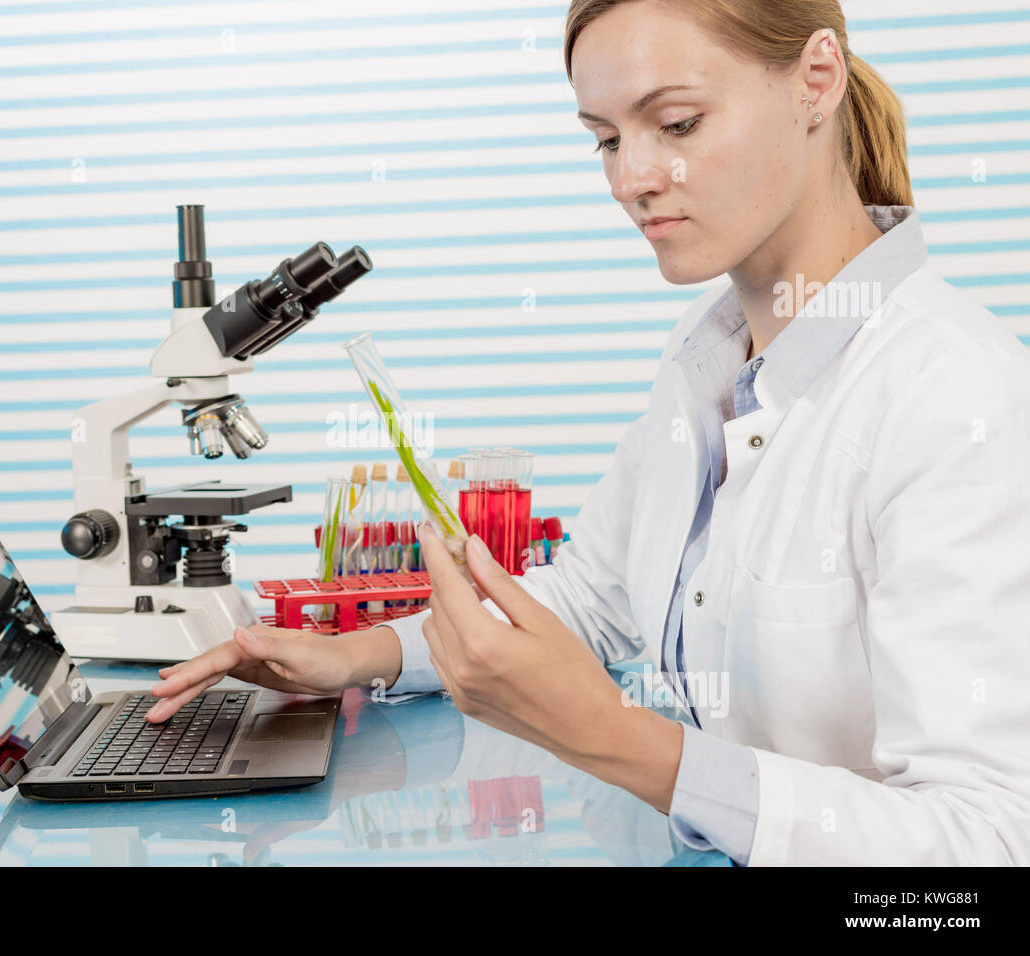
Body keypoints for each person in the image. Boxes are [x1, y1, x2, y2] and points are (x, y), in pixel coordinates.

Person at [146, 0, 1030, 865]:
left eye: (676, 125)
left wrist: (617, 742)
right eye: (606, 139)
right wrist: (349, 655)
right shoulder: (707, 363)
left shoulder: (956, 395)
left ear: (818, 79)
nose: (630, 178)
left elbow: (987, 845)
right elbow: (585, 603)